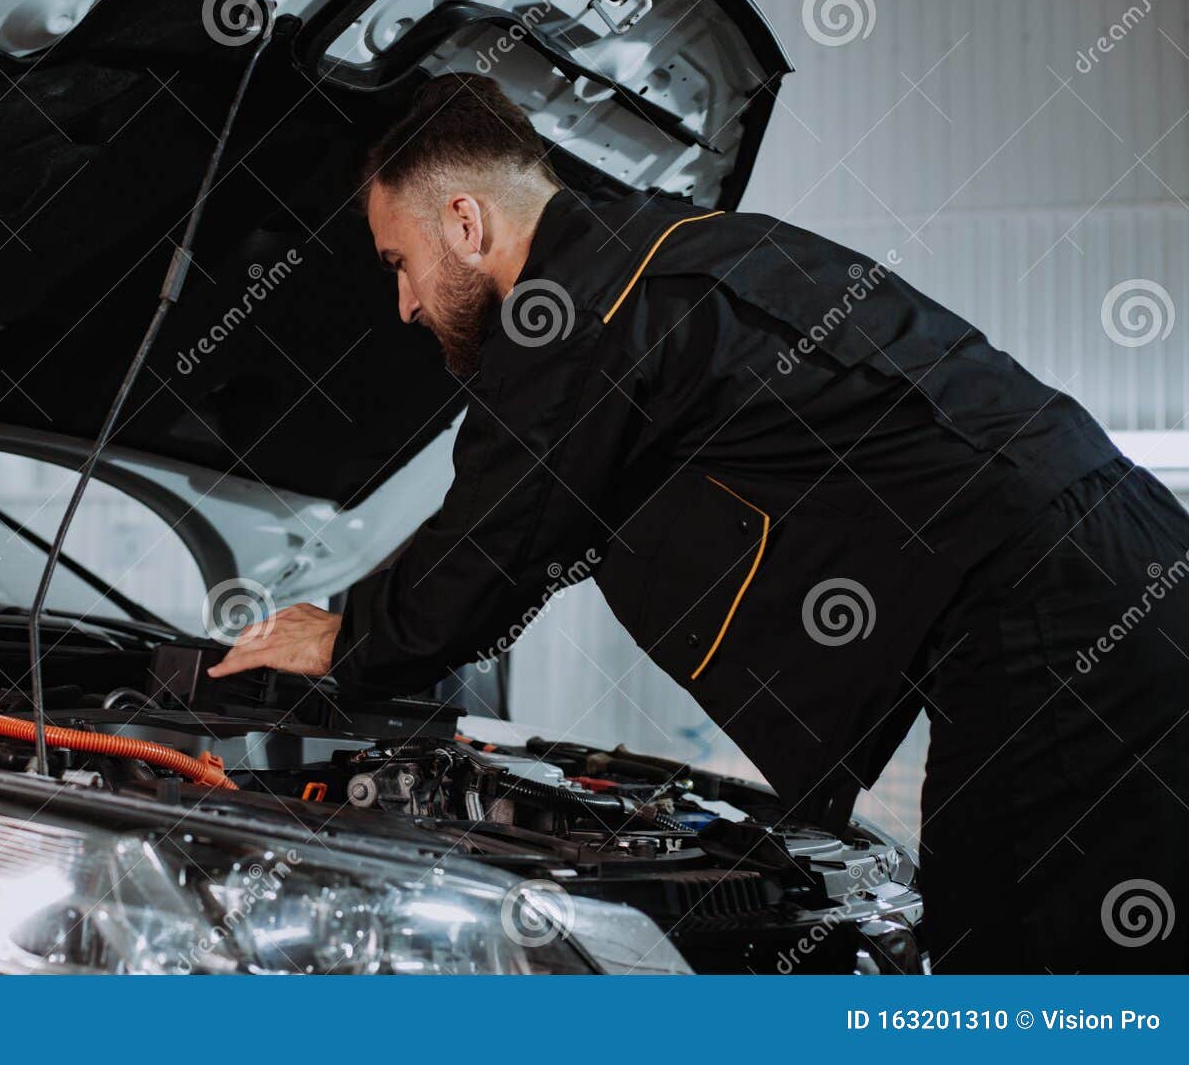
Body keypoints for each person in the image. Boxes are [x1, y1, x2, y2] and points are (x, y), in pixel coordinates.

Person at [208, 73, 1188, 973]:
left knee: (1027, 969)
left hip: (1060, 602)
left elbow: (492, 541)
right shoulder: (662, 253)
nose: (405, 302)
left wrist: (344, 637)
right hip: (1105, 562)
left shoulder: (580, 310)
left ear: (463, 220)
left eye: (400, 261)